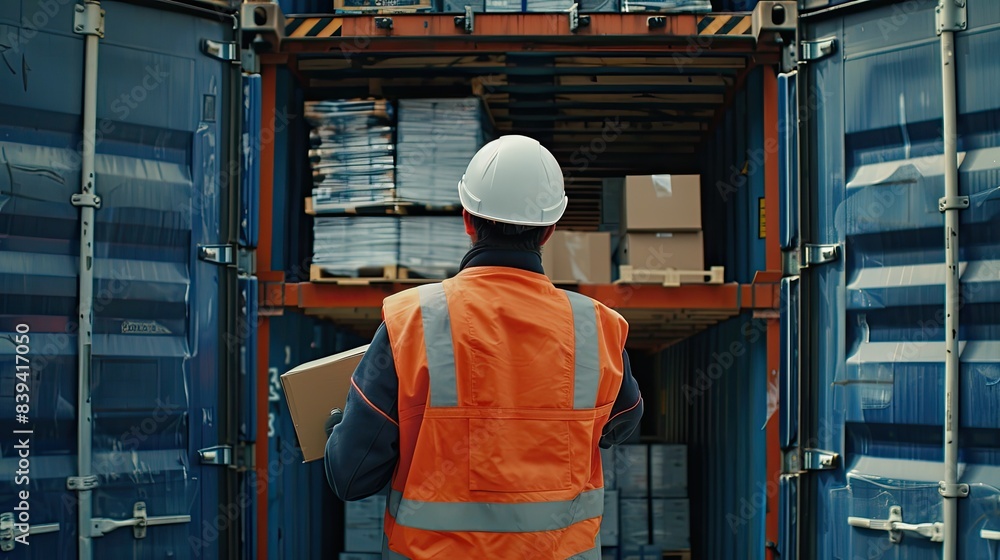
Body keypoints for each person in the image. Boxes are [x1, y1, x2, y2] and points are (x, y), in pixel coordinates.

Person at [324, 135, 643, 559]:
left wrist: (337, 430)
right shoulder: (597, 327)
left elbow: (352, 475)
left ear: (467, 220)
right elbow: (623, 422)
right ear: (549, 230)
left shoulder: (411, 319)